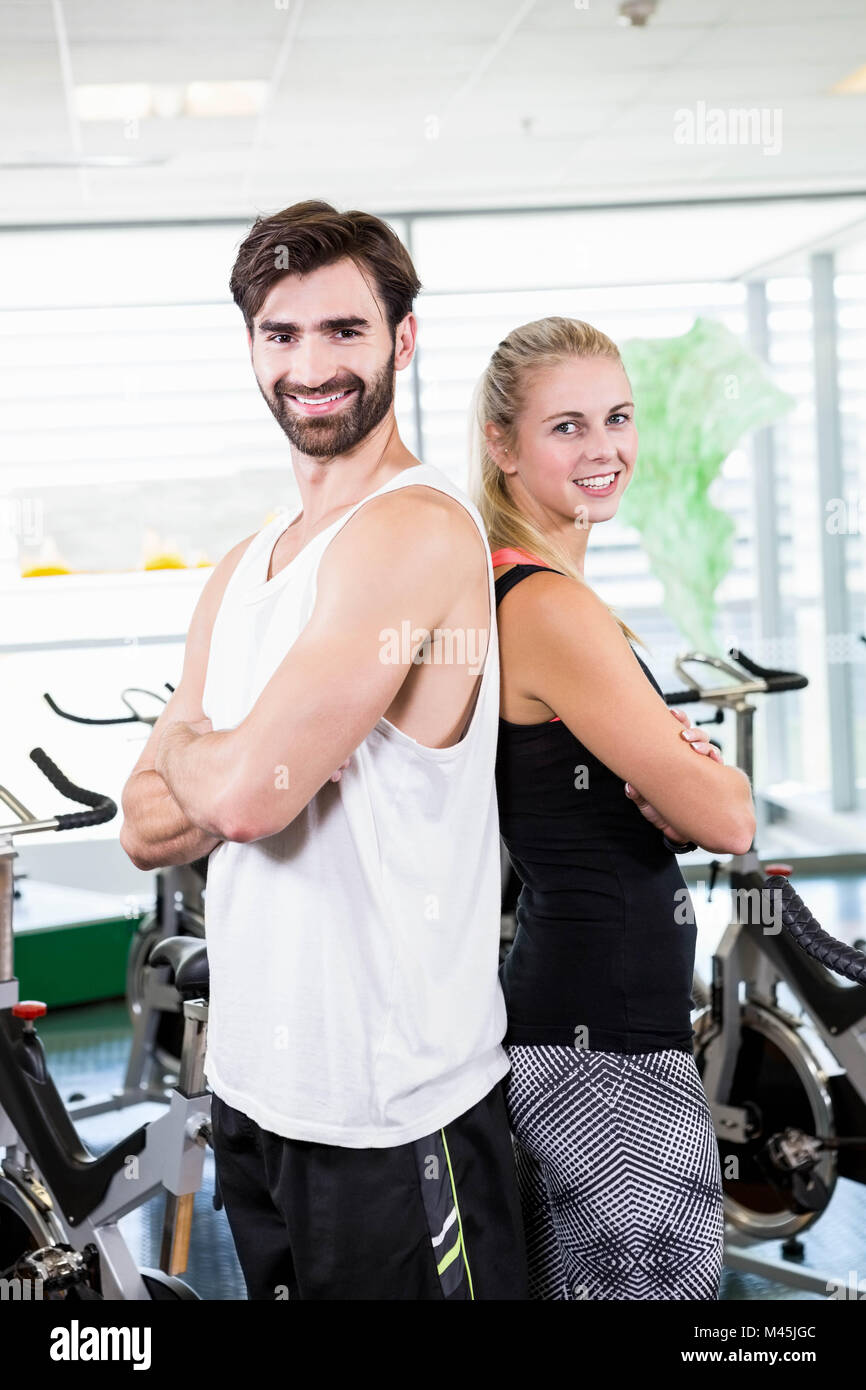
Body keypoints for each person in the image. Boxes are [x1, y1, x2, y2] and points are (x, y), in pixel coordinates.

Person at [119, 200, 528, 1300]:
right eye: (281, 333)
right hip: (257, 1093)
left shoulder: (415, 528)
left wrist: (213, 750)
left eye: (344, 330)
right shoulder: (245, 565)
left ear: (401, 339)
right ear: (251, 347)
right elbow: (141, 827)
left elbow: (244, 798)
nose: (311, 364)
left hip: (396, 1115)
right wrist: (239, 759)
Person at [468, 315, 757, 1300]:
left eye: (617, 418)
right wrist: (707, 783)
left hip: (577, 1014)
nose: (604, 450)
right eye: (566, 427)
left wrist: (680, 786)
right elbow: (728, 820)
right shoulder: (548, 606)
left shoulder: (517, 588)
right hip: (603, 1046)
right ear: (501, 444)